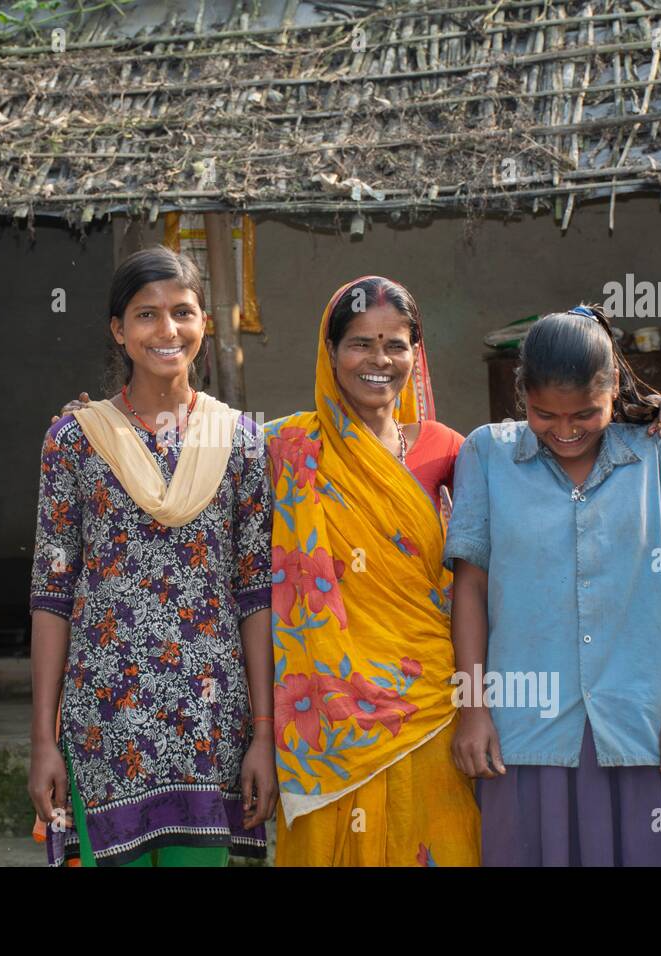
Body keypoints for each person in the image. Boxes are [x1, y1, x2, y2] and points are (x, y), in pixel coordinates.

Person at [27, 246, 276, 867]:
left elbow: (255, 596)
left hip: (210, 722)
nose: (168, 331)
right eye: (147, 315)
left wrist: (264, 737)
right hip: (106, 722)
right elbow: (52, 596)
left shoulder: (239, 440)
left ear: (202, 323)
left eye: (184, 313)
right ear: (118, 329)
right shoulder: (76, 441)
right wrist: (42, 740)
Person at [446, 304, 661, 866]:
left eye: (585, 414)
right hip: (522, 728)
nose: (565, 431)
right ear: (521, 394)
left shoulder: (655, 454)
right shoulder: (486, 454)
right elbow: (469, 589)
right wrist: (473, 709)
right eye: (545, 415)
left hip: (636, 726)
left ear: (614, 386)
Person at [266, 275, 478, 866]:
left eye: (395, 344)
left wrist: (639, 419)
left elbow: (540, 478)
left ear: (417, 353)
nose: (379, 360)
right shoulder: (285, 447)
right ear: (330, 353)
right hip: (327, 712)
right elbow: (195, 457)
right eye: (360, 343)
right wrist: (107, 423)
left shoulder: (450, 448)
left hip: (430, 701)